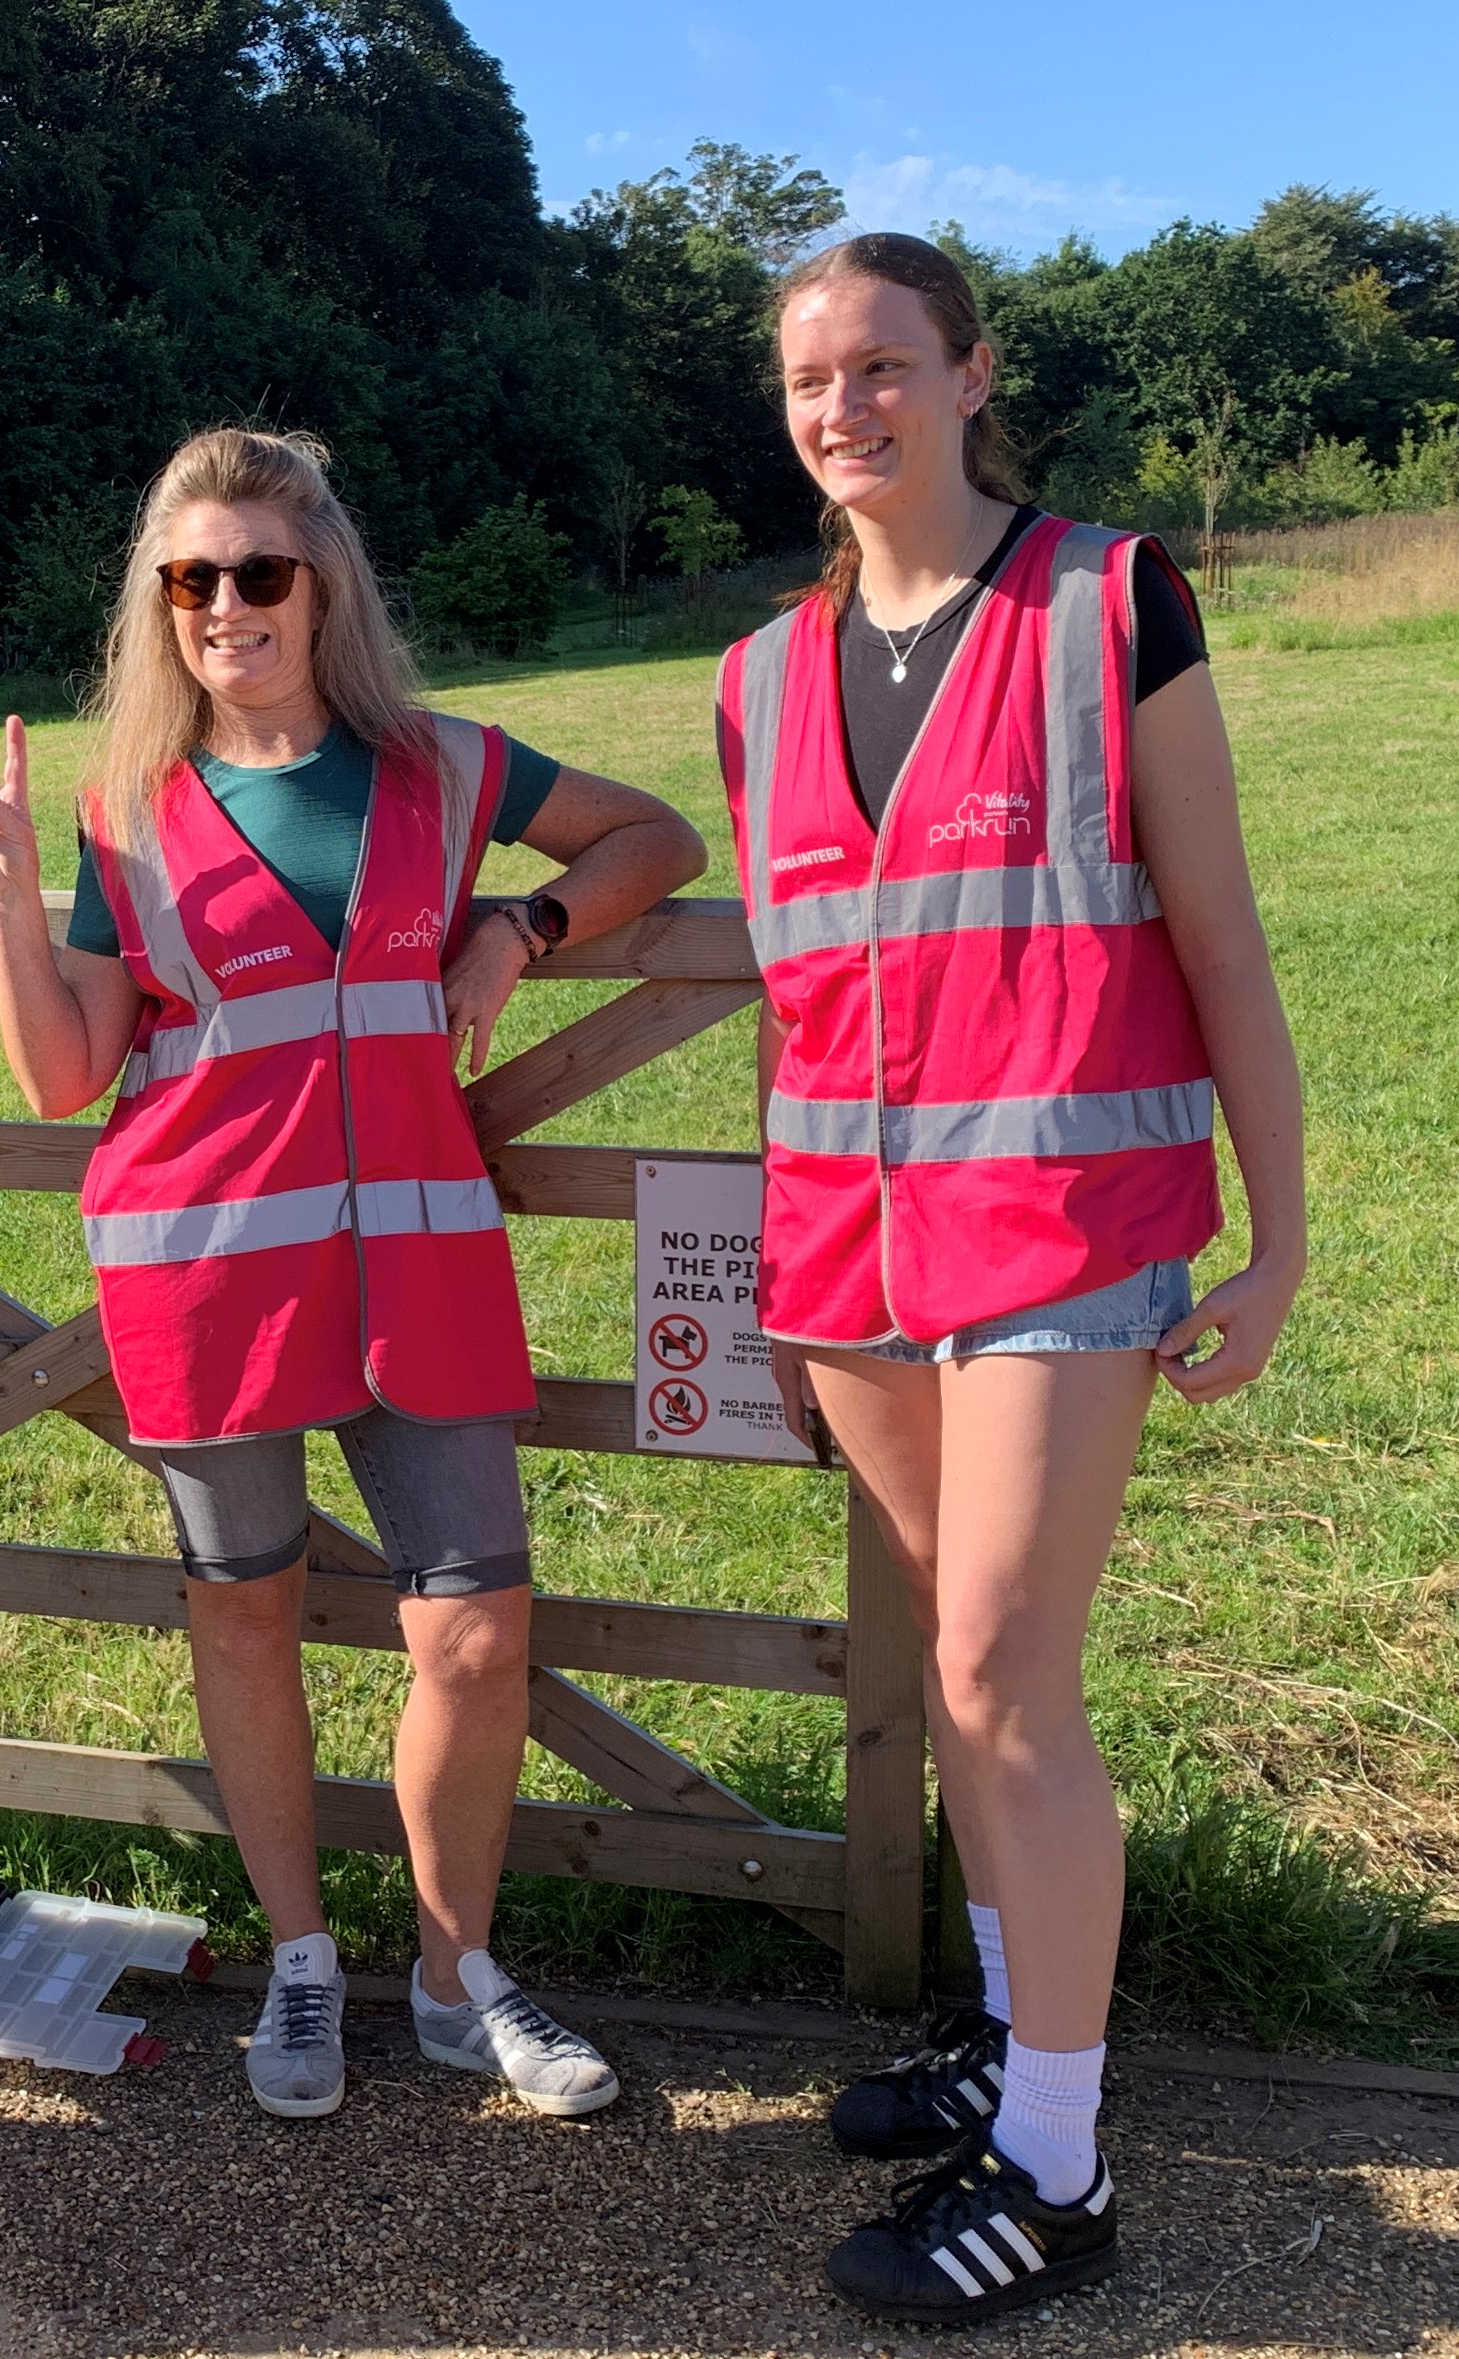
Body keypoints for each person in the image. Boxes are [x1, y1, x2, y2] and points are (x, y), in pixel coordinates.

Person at [0, 428, 707, 2120]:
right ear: (162, 603)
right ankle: (300, 1965)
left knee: (477, 1627)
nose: (228, 605)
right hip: (207, 1267)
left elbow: (659, 840)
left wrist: (523, 927)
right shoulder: (123, 809)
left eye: (262, 573)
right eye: (193, 578)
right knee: (249, 1608)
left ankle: (455, 1981)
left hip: (420, 1261)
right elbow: (65, 1073)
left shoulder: (442, 763)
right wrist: (6, 897)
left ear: (326, 583)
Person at [718, 235, 1305, 2323]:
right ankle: (1003, 2023)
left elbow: (1216, 936)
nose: (843, 406)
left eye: (884, 365)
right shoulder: (756, 674)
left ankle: (1057, 2169)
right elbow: (803, 1003)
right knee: (968, 1691)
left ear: (971, 376)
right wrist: (790, 1283)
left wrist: (1281, 1230)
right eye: (809, 378)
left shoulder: (1105, 599)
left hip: (1067, 1241)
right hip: (857, 1261)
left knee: (989, 1674)